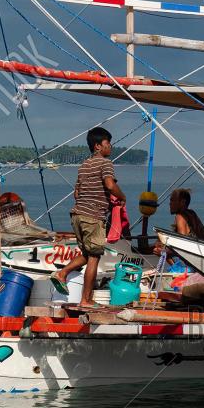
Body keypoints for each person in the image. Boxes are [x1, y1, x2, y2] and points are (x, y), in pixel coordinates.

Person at [51, 127, 124, 308]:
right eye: (108, 144)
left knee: (87, 254)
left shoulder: (84, 165)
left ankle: (62, 273)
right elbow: (109, 185)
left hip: (77, 215)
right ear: (98, 146)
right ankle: (86, 300)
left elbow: (77, 193)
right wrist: (122, 197)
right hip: (93, 217)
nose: (111, 147)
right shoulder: (106, 163)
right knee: (94, 258)